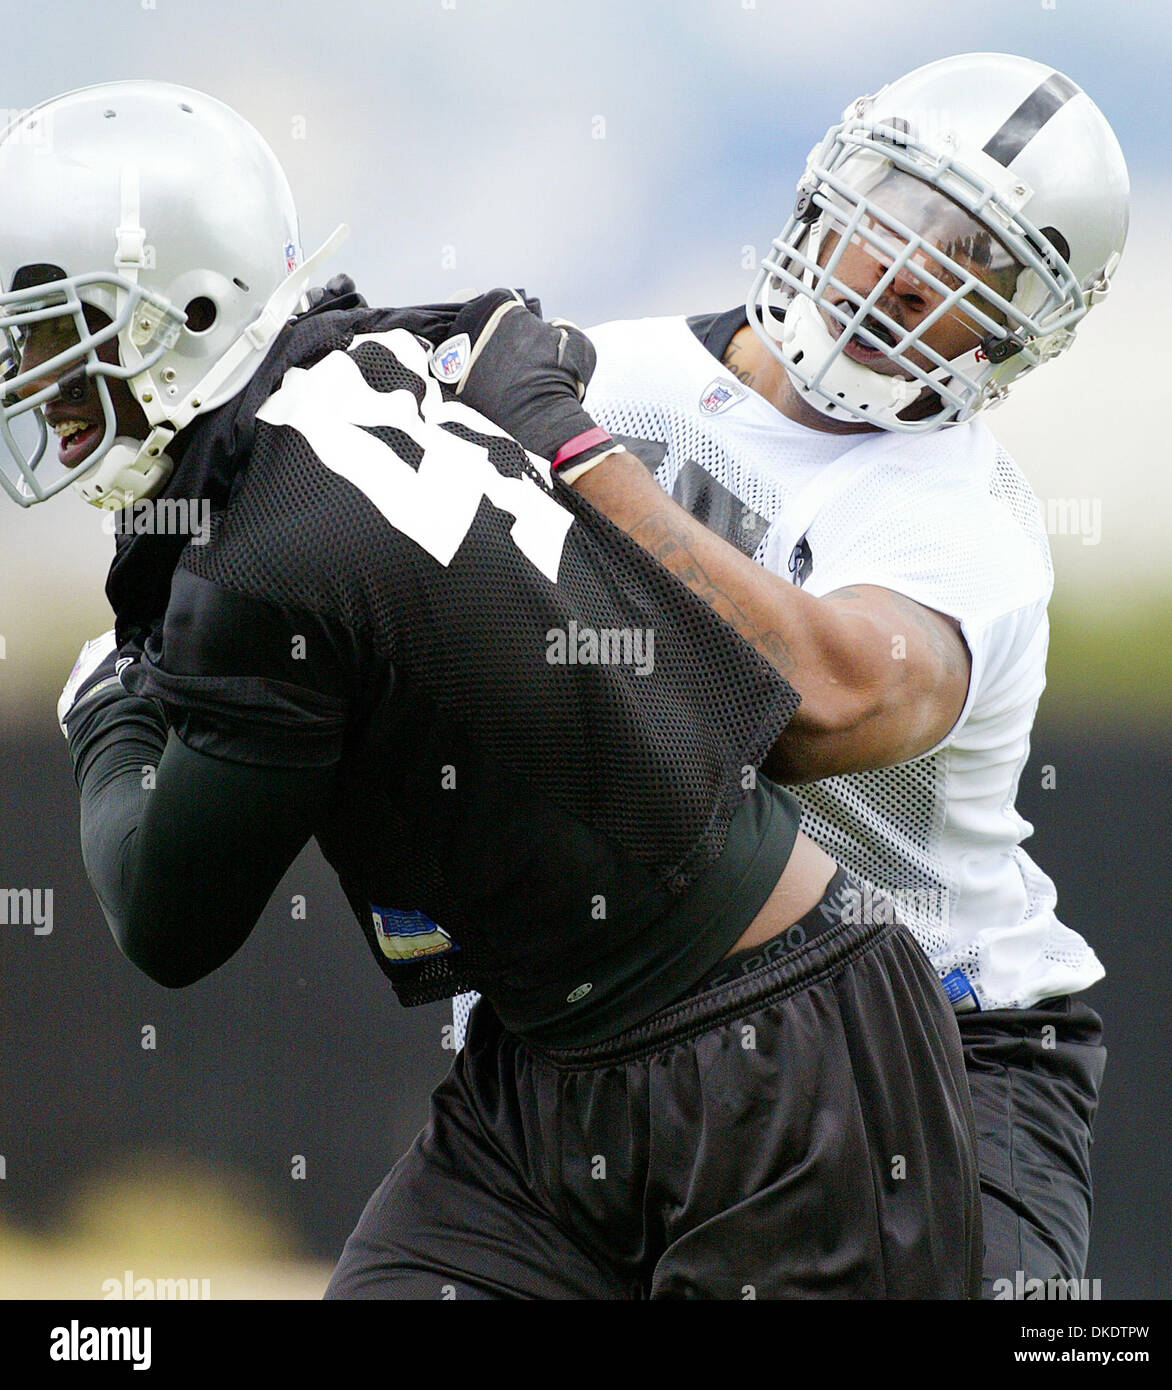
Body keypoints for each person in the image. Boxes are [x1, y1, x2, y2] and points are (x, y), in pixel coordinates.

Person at [0, 81, 981, 1298]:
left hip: (780, 1060)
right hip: (551, 1064)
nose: (34, 379)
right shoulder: (359, 365)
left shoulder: (264, 562)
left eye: (51, 333)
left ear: (185, 304)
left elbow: (167, 918)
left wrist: (107, 706)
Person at [450, 52, 1128, 1298]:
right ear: (829, 186)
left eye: (978, 266)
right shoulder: (616, 372)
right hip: (616, 1028)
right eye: (908, 211)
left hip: (936, 1038)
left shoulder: (961, 516)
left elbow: (820, 704)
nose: (920, 269)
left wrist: (579, 459)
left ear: (1014, 337)